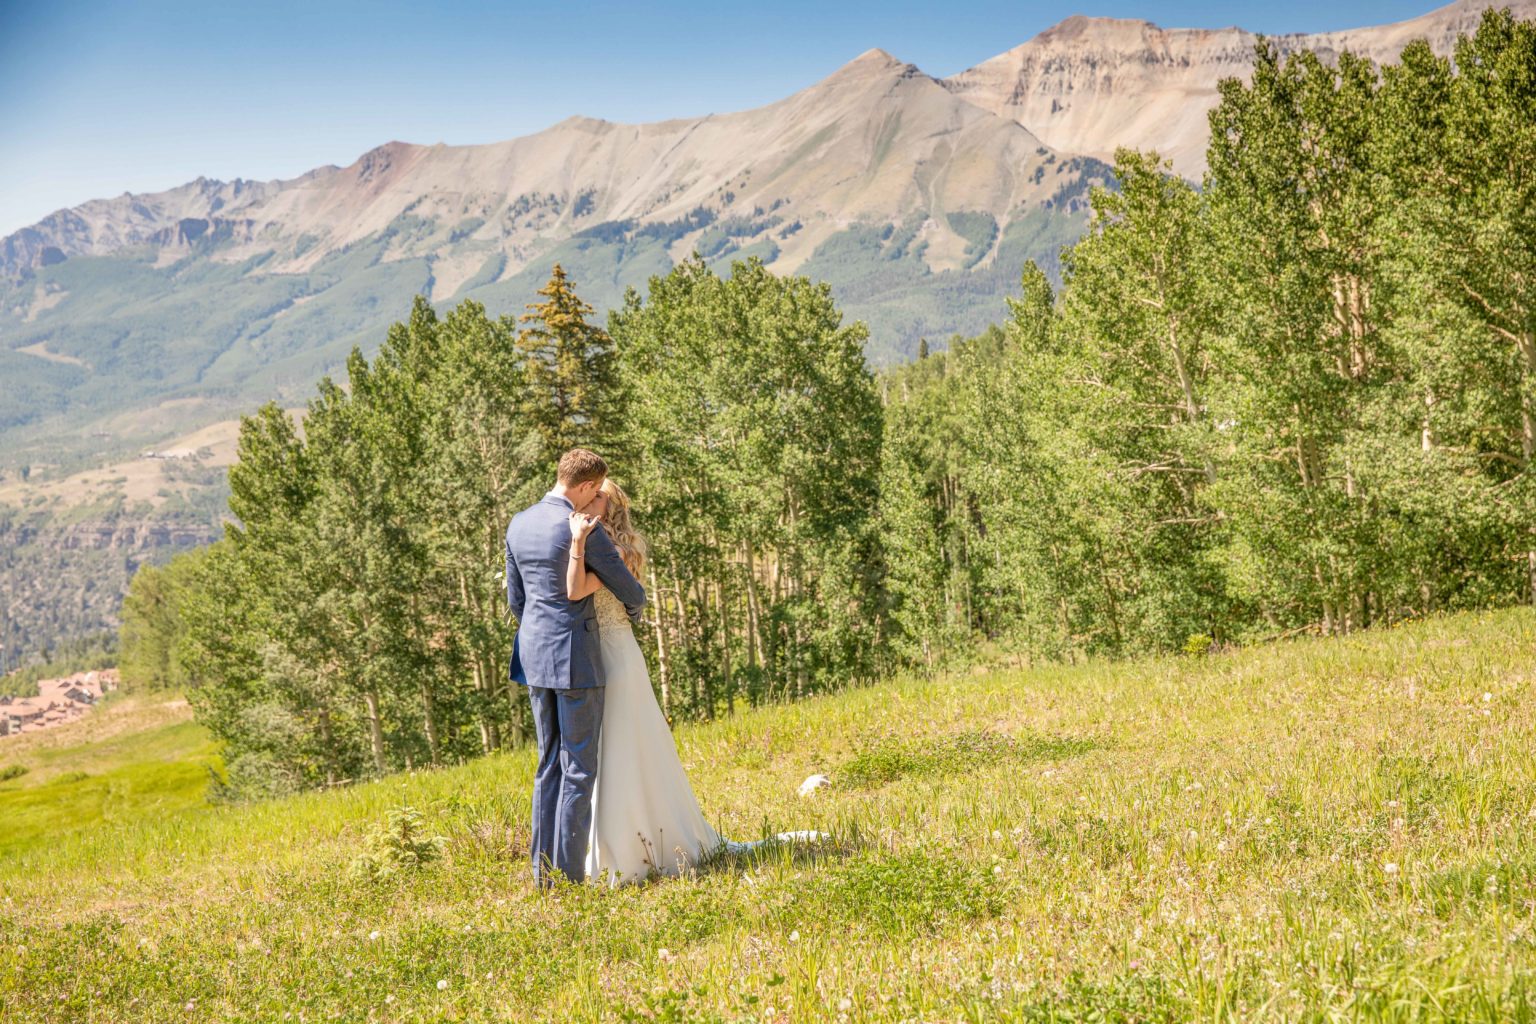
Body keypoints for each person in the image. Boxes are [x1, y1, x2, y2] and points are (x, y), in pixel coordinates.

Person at [565, 479, 723, 885]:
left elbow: (576, 589)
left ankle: (630, 853)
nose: (588, 500)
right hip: (608, 652)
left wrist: (575, 544)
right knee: (616, 746)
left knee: (620, 747)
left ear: (610, 507)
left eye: (597, 496)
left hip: (614, 657)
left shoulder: (613, 552)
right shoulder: (610, 544)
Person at [505, 449, 644, 887]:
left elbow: (516, 601)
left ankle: (540, 874)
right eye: (594, 492)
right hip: (576, 658)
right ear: (585, 486)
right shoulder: (584, 531)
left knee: (547, 765)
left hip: (533, 656)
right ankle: (565, 881)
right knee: (578, 768)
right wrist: (634, 613)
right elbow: (631, 592)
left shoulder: (519, 523)